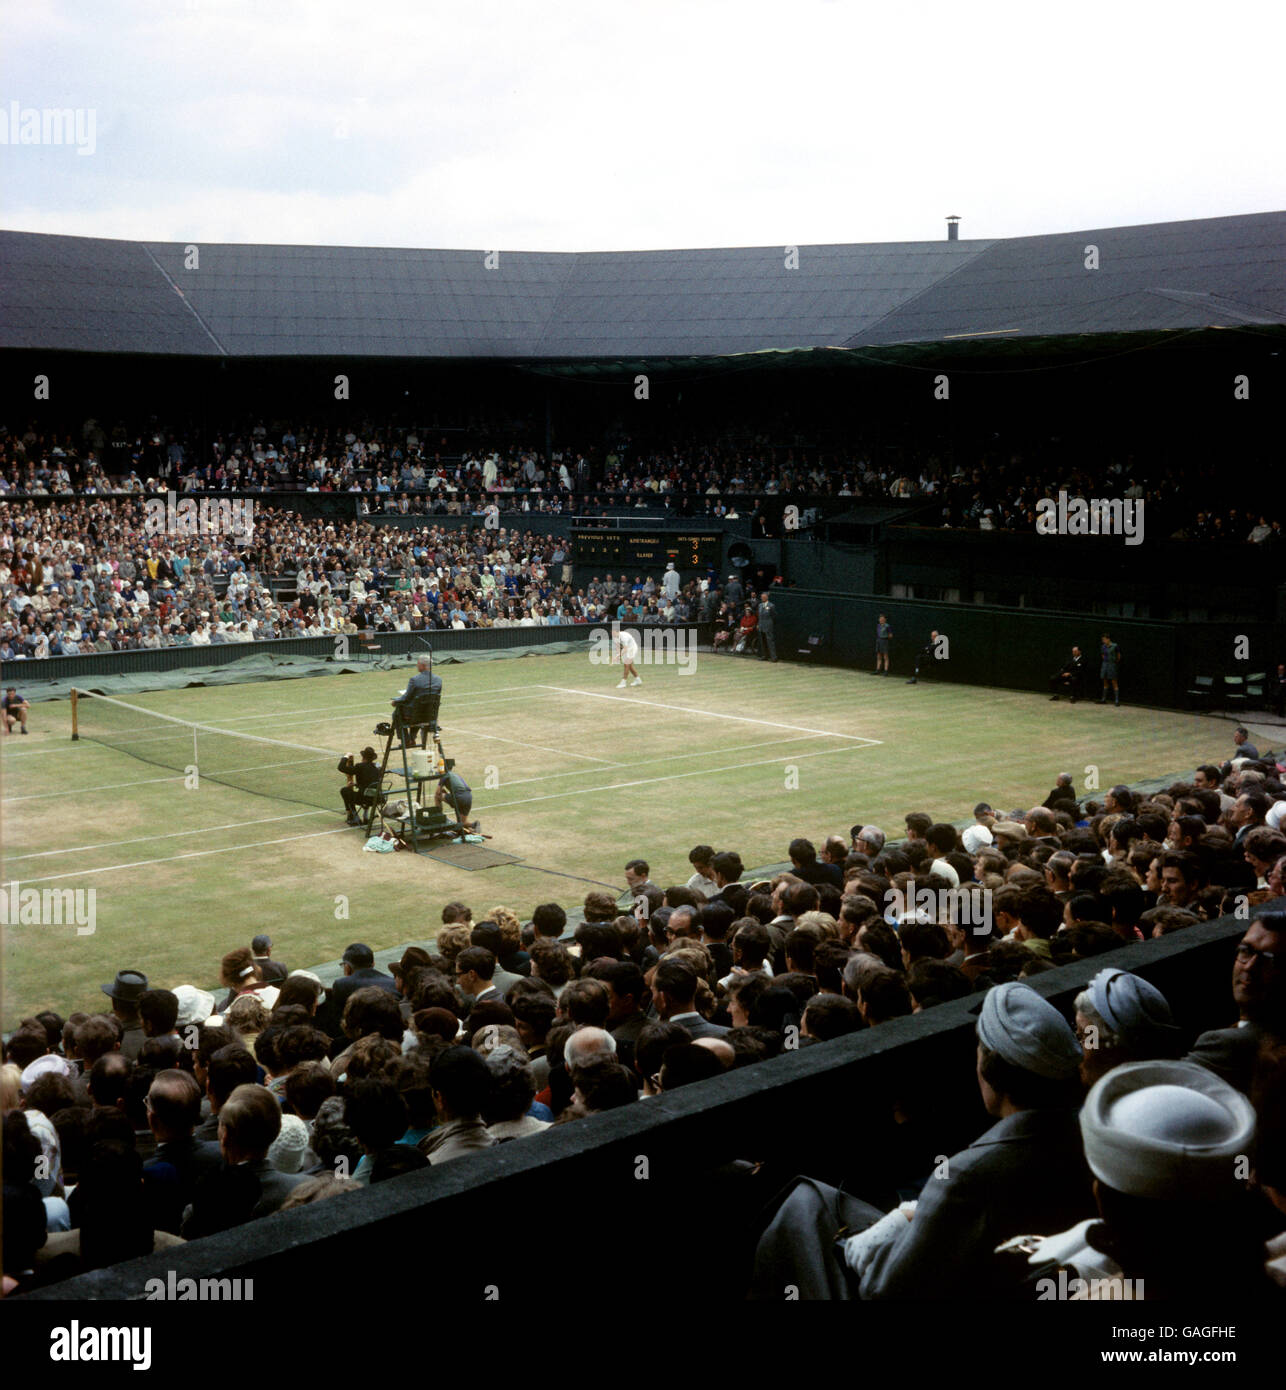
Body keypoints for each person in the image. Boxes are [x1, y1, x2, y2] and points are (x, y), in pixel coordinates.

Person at [393, 656, 441, 747]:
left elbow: (405, 698)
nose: (416, 665)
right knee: (419, 709)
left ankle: (406, 740)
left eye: (418, 664)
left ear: (422, 666)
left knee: (396, 714)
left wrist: (395, 701)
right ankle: (412, 738)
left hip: (415, 715)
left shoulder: (414, 680)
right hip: (430, 715)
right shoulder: (438, 680)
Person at [339, 746, 381, 826]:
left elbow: (341, 767)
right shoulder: (377, 767)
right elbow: (370, 783)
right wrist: (356, 784)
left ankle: (354, 817)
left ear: (363, 757)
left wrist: (346, 757)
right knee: (369, 792)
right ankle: (365, 816)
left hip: (363, 799)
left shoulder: (360, 766)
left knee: (344, 790)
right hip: (377, 798)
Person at [434, 767, 476, 831]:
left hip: (459, 797)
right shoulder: (456, 775)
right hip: (468, 797)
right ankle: (474, 825)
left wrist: (442, 791)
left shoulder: (444, 775)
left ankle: (439, 817)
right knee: (462, 823)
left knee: (437, 797)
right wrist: (446, 793)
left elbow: (438, 792)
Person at [1098, 632, 1122, 706]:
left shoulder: (1115, 646)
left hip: (1112, 665)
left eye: (1104, 639)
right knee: (1105, 681)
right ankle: (1104, 699)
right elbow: (1102, 655)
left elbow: (1119, 656)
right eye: (1103, 640)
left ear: (1108, 639)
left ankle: (1117, 700)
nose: (1103, 641)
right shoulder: (1103, 646)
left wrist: (1114, 662)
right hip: (1105, 665)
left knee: (1114, 681)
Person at [756, 592, 778, 662]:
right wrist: (758, 624)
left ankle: (773, 657)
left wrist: (770, 623)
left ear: (767, 597)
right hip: (761, 625)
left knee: (770, 642)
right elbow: (759, 616)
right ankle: (764, 656)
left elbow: (774, 615)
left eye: (764, 597)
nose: (762, 598)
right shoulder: (760, 605)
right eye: (761, 597)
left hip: (768, 626)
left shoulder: (771, 605)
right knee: (762, 642)